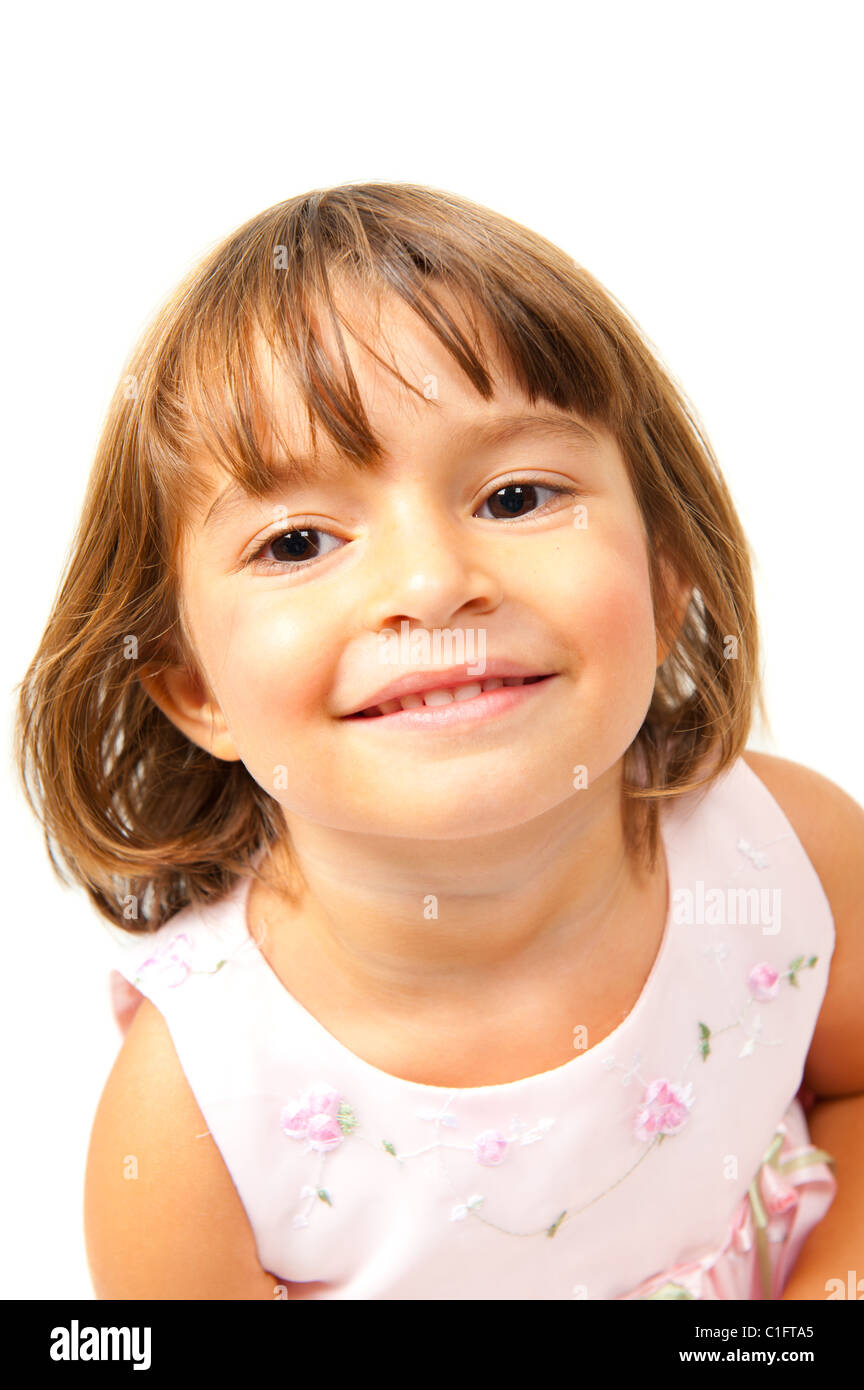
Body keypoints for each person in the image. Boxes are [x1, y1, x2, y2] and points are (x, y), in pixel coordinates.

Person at [15, 182, 862, 1300]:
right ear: (192, 686)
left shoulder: (784, 851)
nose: (431, 583)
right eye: (299, 540)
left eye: (516, 496)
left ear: (667, 570)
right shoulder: (195, 1120)